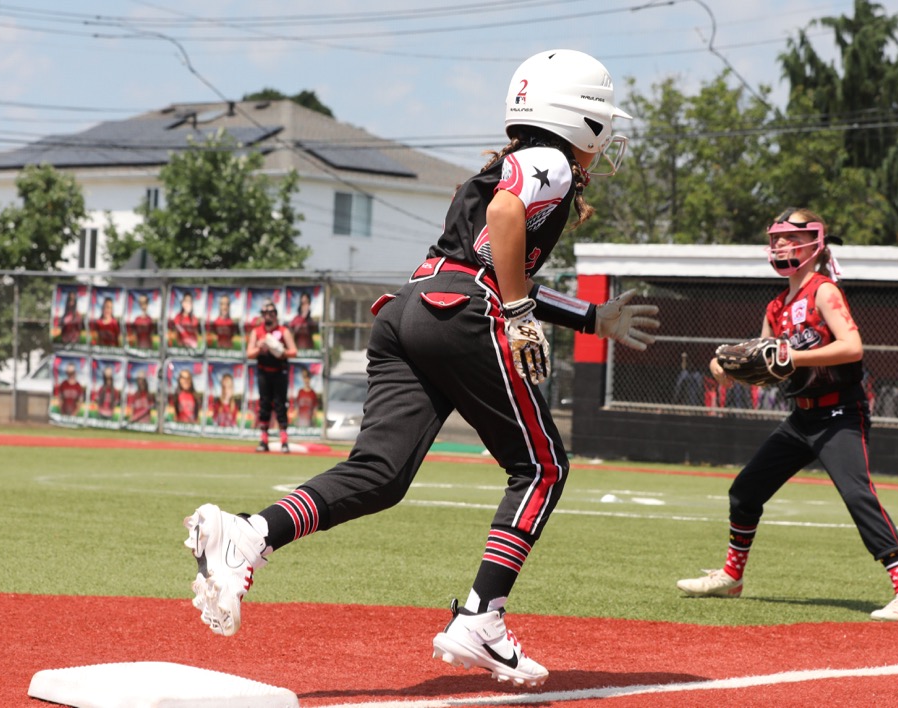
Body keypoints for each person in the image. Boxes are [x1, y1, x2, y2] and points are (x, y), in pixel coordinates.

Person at [181, 49, 658, 688]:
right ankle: (480, 618)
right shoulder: (550, 162)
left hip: (411, 307)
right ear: (580, 117)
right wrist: (516, 313)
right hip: (461, 311)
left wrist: (588, 317)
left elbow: (486, 255)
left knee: (379, 473)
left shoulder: (514, 161)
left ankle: (249, 534)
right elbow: (504, 223)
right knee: (542, 468)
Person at [677, 207, 898, 622]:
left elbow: (853, 347)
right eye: (775, 238)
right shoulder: (777, 306)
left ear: (812, 244)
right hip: (802, 418)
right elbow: (762, 362)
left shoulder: (823, 290)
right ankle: (732, 577)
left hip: (841, 412)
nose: (779, 245)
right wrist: (726, 369)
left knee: (856, 494)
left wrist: (797, 355)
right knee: (745, 490)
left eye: (788, 238)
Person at [246, 300, 297, 453]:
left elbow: (293, 351)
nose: (268, 317)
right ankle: (264, 439)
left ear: (275, 315)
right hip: (264, 372)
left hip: (279, 372)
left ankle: (284, 440)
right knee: (264, 405)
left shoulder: (283, 331)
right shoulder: (257, 332)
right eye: (265, 314)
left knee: (280, 405)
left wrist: (281, 352)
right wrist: (259, 347)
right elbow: (249, 353)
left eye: (271, 313)